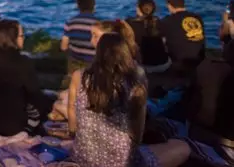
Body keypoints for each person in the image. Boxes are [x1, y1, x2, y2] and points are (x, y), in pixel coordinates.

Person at [68, 33, 190, 167]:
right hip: (123, 162)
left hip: (82, 158)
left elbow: (72, 119)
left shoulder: (78, 76)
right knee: (182, 147)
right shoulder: (136, 82)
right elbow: (137, 134)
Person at [0, 19, 52, 136]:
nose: (24, 38)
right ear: (13, 39)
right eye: (21, 36)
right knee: (44, 103)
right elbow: (35, 95)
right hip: (10, 126)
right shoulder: (22, 62)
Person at [159, 0, 205, 73]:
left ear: (169, 5)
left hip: (179, 64)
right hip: (200, 61)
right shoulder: (197, 18)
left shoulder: (167, 21)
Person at [126, 0, 171, 73]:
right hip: (163, 64)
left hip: (142, 66)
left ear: (139, 9)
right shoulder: (159, 22)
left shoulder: (130, 24)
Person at [61, 0, 100, 77]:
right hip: (93, 64)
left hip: (74, 64)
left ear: (78, 6)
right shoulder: (99, 24)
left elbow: (63, 47)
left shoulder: (70, 23)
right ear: (93, 6)